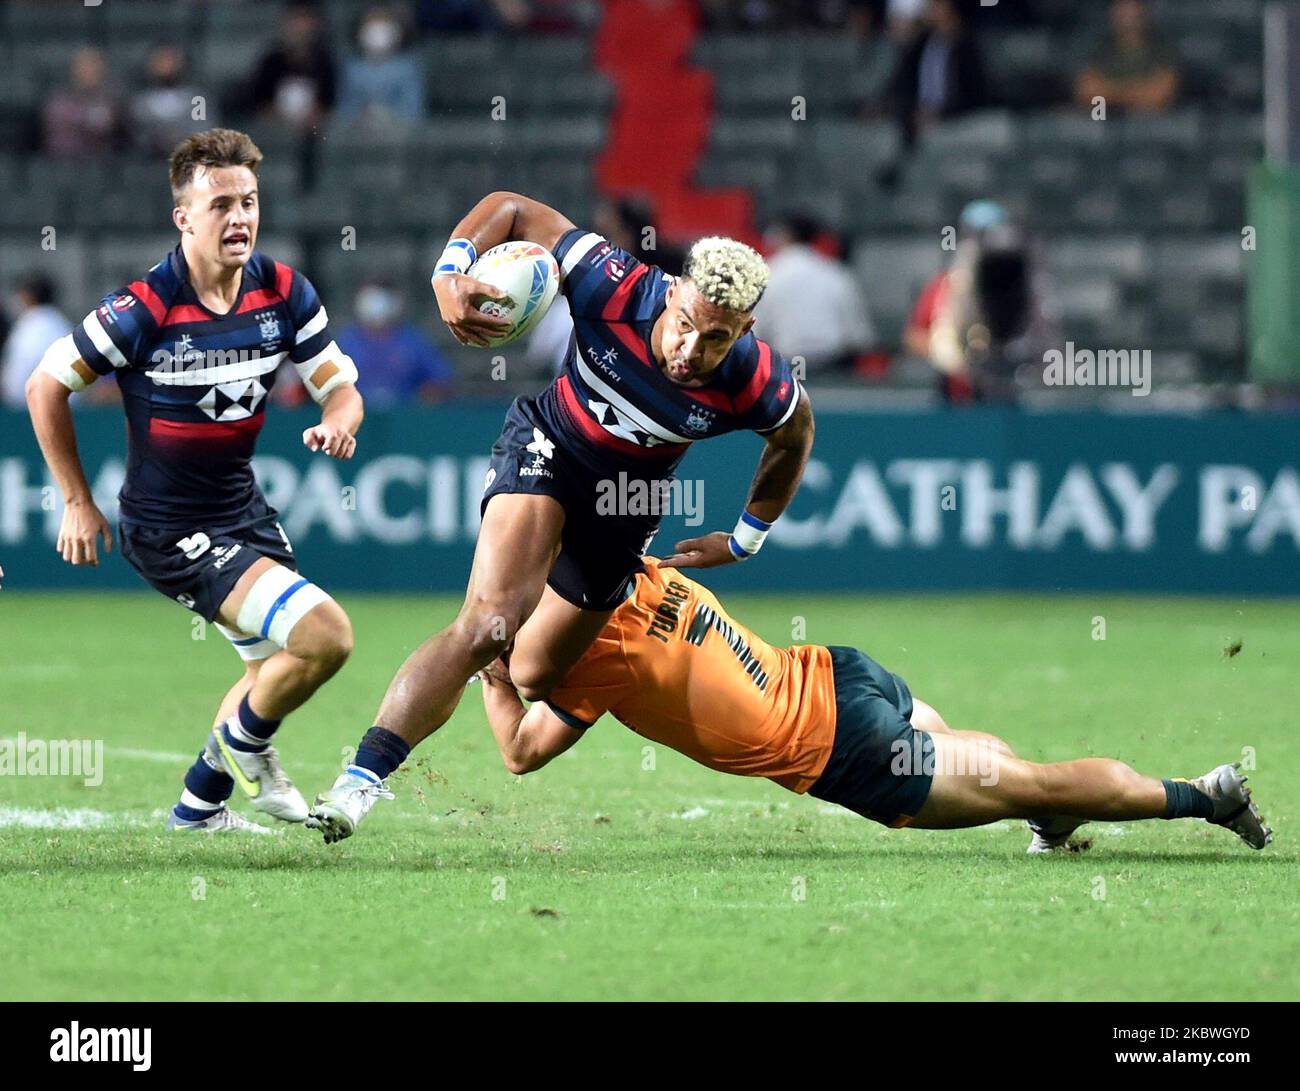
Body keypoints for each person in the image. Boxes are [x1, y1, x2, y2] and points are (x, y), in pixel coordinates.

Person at [307, 191, 814, 843]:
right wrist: (450, 270)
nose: (690, 347)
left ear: (743, 332)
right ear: (674, 293)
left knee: (534, 673)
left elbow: (794, 437)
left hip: (625, 508)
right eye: (686, 320)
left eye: (715, 337)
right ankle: (361, 782)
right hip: (548, 446)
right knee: (490, 621)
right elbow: (513, 210)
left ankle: (496, 658)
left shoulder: (753, 380)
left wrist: (746, 538)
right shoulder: (614, 283)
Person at [25, 128, 364, 834]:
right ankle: (250, 748)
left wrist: (338, 418)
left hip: (242, 511)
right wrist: (77, 502)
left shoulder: (282, 290)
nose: (239, 217)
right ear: (184, 217)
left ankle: (197, 809)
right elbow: (43, 386)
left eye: (250, 201)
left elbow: (343, 388)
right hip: (168, 527)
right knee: (327, 635)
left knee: (270, 670)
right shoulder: (146, 306)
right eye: (221, 205)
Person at [467, 558, 1271, 854]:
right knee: (996, 769)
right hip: (838, 670)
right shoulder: (636, 569)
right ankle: (1048, 823)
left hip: (845, 746)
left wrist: (490, 675)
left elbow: (522, 750)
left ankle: (1203, 797)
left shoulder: (593, 661)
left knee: (1037, 783)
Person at [758, 213, 875, 375]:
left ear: (783, 235)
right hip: (833, 369)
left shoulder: (766, 274)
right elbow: (859, 337)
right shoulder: (836, 274)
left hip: (786, 371)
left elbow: (753, 333)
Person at [337, 281, 454, 406]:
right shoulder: (347, 341)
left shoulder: (412, 341)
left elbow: (440, 379)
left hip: (405, 417)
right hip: (355, 414)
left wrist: (426, 396)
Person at [1075, 0, 1178, 115]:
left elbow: (1159, 95)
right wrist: (1137, 94)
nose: (1126, 15)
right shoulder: (1098, 49)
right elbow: (1087, 91)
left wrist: (1109, 93)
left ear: (1143, 12)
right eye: (1120, 9)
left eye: (1131, 8)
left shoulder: (1162, 49)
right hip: (1104, 116)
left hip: (1151, 121)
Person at [248, 2, 337, 133]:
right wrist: (278, 117)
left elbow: (330, 105)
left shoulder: (326, 62)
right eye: (296, 20)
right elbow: (258, 103)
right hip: (275, 133)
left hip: (314, 134)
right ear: (285, 23)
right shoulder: (271, 61)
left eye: (305, 20)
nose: (300, 27)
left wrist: (314, 117)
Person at [336, 5, 425, 127]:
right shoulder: (352, 70)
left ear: (395, 33)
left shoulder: (407, 68)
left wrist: (387, 116)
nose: (378, 34)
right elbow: (344, 111)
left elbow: (414, 111)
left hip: (399, 136)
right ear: (362, 33)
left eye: (383, 28)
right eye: (372, 28)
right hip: (358, 135)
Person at [2, 275, 72, 410]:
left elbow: (15, 382)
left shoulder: (27, 327)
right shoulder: (63, 324)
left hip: (27, 412)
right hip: (69, 409)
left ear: (28, 296)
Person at [42, 47, 124, 159]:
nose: (88, 72)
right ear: (74, 70)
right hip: (65, 162)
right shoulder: (59, 102)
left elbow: (108, 128)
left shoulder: (110, 100)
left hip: (102, 161)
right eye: (84, 67)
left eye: (94, 67)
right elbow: (60, 129)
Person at [130, 46, 205, 157]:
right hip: (149, 161)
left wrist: (180, 139)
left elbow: (202, 129)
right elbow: (137, 134)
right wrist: (159, 141)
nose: (166, 67)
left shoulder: (197, 99)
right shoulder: (141, 102)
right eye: (161, 61)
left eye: (170, 61)